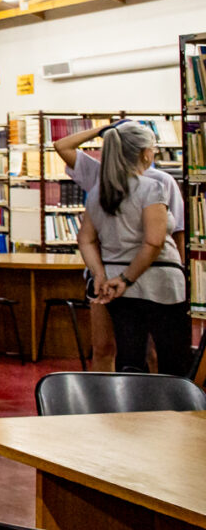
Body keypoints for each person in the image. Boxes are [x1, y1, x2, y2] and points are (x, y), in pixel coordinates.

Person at [53, 119, 186, 372]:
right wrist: (126, 278)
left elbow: (85, 238)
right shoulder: (153, 187)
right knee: (172, 359)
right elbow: (155, 241)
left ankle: (127, 409)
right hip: (158, 284)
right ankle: (171, 410)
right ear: (145, 153)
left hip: (114, 284)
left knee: (129, 357)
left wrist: (102, 275)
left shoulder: (99, 189)